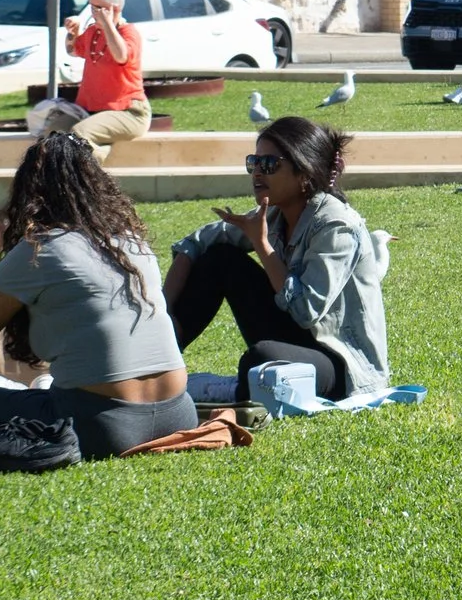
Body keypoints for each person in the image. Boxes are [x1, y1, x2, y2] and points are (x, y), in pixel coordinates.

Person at [0, 133, 198, 459]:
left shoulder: (42, 249)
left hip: (100, 426)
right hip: (179, 415)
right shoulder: (133, 245)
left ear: (29, 193)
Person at [165, 115, 391, 403]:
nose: (257, 173)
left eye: (269, 164)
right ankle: (157, 366)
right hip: (296, 340)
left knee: (262, 357)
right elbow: (195, 243)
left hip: (340, 366)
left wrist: (261, 244)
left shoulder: (336, 227)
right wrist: (165, 312)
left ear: (304, 174)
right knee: (219, 258)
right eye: (253, 162)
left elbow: (306, 310)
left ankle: (230, 389)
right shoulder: (274, 215)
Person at [40, 0, 150, 156]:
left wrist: (108, 25)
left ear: (114, 8)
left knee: (78, 135)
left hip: (128, 112)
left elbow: (121, 55)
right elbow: (73, 50)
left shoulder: (128, 33)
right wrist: (72, 32)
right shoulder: (93, 31)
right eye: (91, 7)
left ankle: (90, 174)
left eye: (98, 8)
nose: (93, 13)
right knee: (53, 134)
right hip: (90, 110)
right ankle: (87, 160)